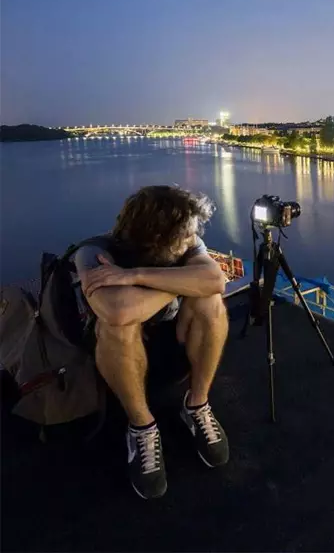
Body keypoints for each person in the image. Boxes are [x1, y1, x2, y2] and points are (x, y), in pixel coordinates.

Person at [74, 185, 230, 500]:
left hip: (172, 342)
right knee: (119, 326)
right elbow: (118, 311)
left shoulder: (186, 245)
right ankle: (142, 426)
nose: (192, 239)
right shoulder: (93, 253)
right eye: (185, 235)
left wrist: (135, 277)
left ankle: (196, 404)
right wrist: (183, 284)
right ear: (158, 238)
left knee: (210, 301)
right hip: (118, 357)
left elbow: (216, 281)